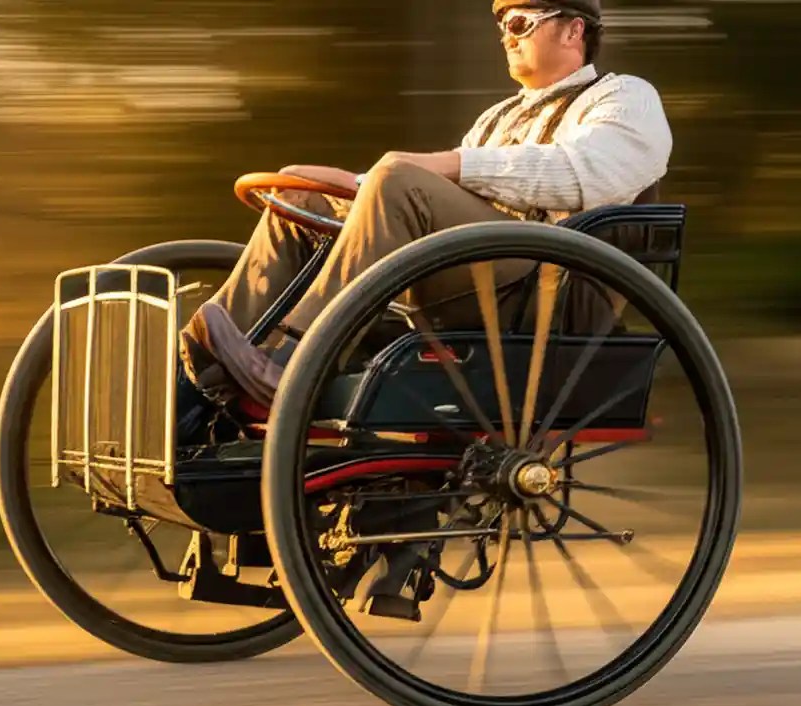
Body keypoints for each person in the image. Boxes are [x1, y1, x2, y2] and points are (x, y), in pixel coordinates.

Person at [175, 0, 673, 438]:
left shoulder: (625, 98)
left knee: (396, 174)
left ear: (574, 31)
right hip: (476, 270)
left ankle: (297, 365)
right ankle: (206, 368)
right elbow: (416, 198)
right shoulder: (498, 118)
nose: (506, 34)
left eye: (520, 21)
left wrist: (420, 168)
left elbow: (585, 173)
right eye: (500, 22)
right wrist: (346, 186)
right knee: (302, 201)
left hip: (549, 290)